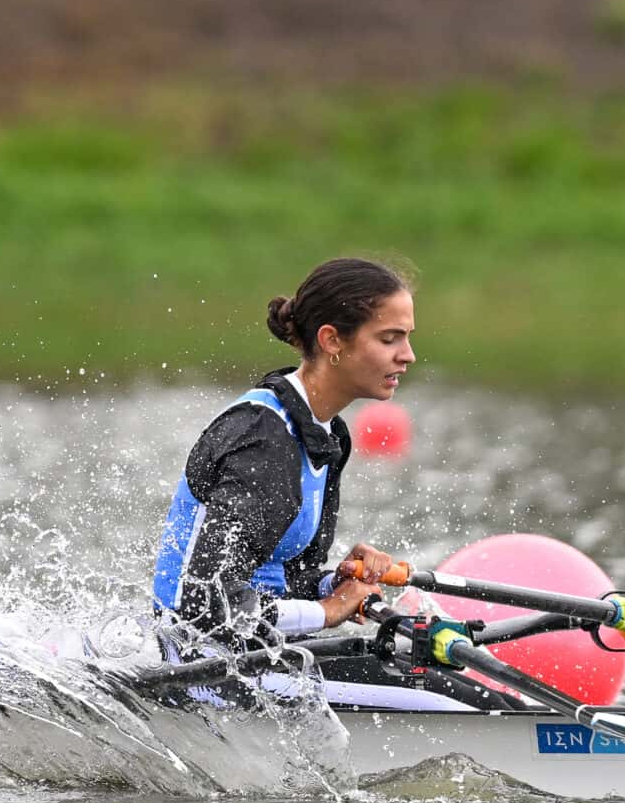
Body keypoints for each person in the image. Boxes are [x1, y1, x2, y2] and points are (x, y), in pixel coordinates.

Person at [149, 257, 506, 711]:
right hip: (203, 665)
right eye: (389, 338)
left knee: (453, 683)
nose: (408, 355)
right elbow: (207, 604)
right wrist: (330, 610)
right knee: (466, 703)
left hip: (260, 650)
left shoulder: (326, 435)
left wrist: (332, 584)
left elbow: (286, 582)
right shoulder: (264, 439)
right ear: (332, 340)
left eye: (407, 338)